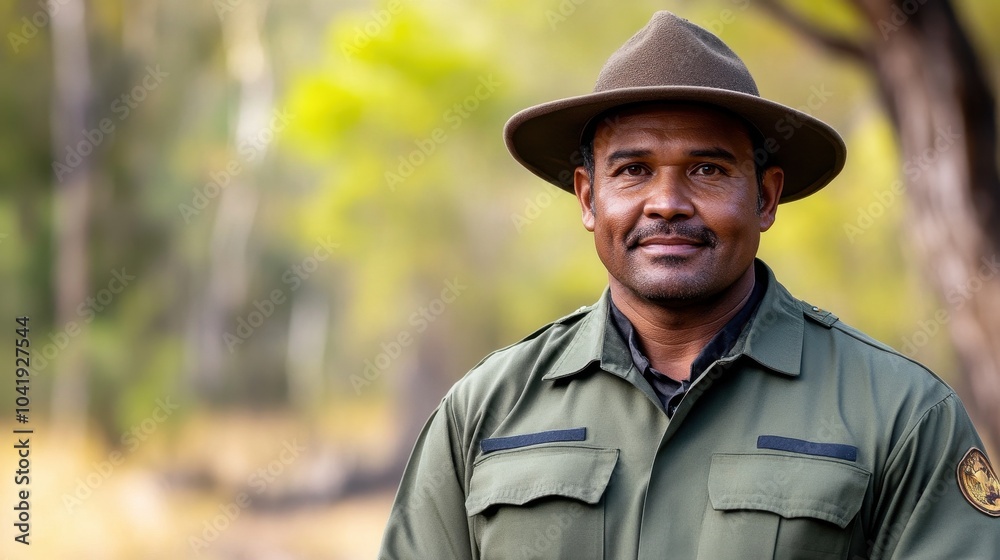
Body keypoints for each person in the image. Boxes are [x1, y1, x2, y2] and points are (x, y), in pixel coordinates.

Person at [379, 11, 1000, 559]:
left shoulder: (899, 412)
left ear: (765, 197)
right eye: (633, 170)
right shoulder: (484, 410)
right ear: (588, 198)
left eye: (707, 169)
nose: (667, 203)